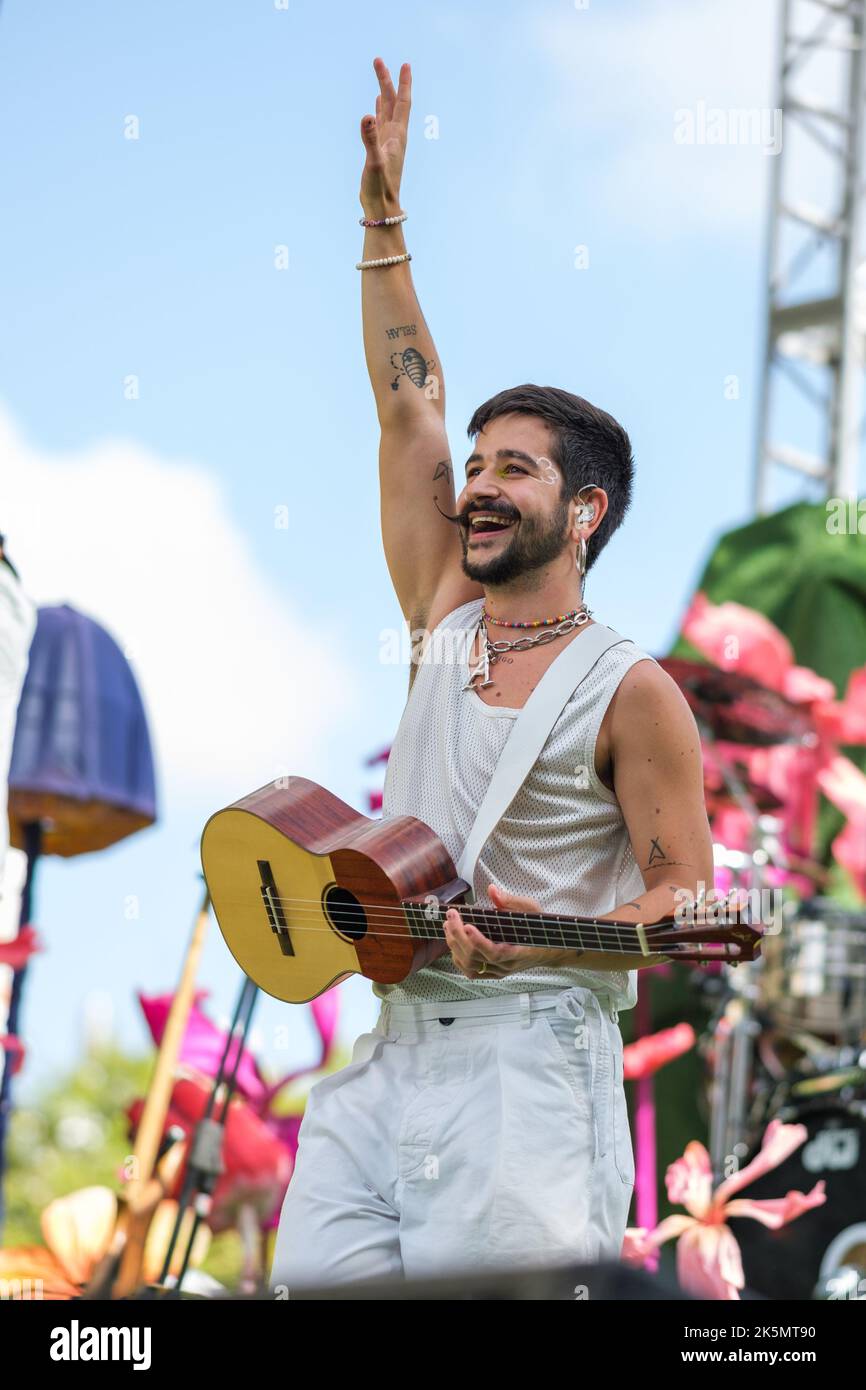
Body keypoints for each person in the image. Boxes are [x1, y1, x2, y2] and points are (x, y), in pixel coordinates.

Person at [269, 58, 714, 1292]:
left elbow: (685, 896)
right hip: (387, 1054)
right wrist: (380, 217)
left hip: (528, 1070)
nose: (472, 483)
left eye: (511, 468)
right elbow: (404, 406)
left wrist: (546, 943)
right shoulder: (440, 619)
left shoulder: (632, 692)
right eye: (477, 464)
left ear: (583, 509)